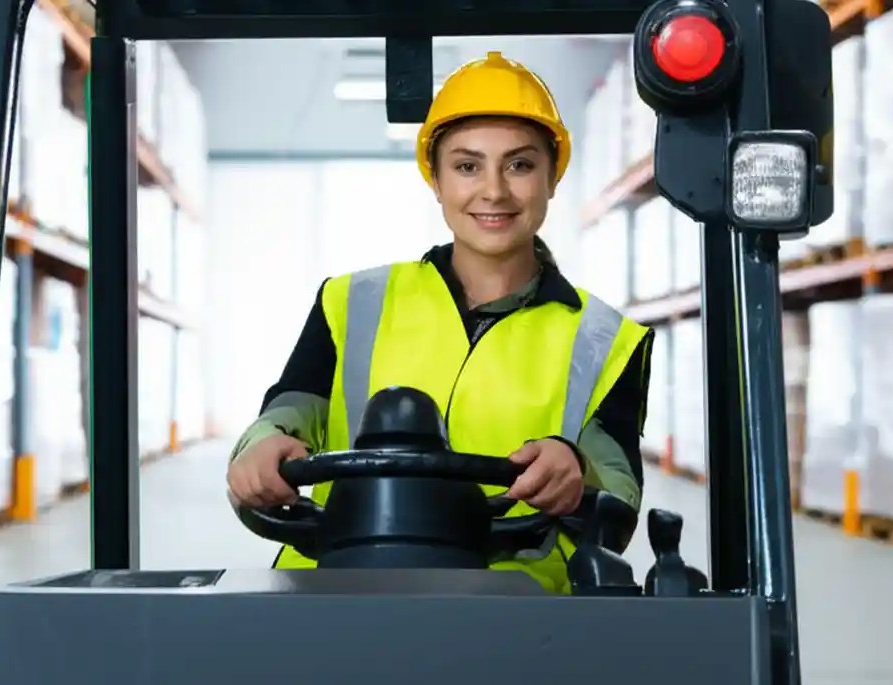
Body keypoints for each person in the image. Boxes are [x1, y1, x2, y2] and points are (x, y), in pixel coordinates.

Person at [225, 51, 654, 594]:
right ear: (436, 179)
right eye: (467, 166)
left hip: (515, 601)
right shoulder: (354, 300)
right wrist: (262, 443)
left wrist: (575, 470)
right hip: (336, 585)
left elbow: (616, 492)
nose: (494, 191)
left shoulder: (604, 338)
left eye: (519, 165)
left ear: (552, 178)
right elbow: (293, 408)